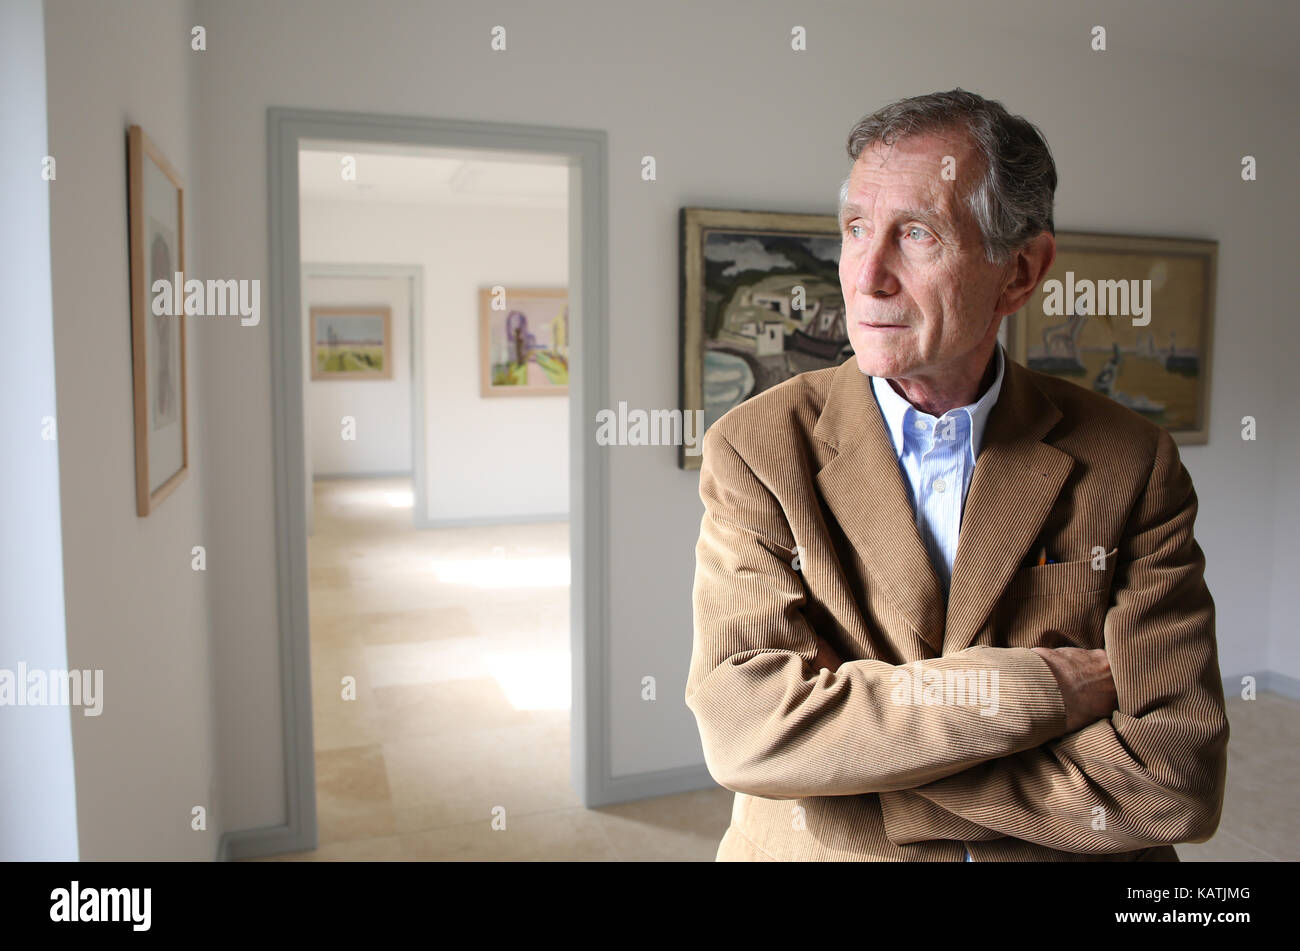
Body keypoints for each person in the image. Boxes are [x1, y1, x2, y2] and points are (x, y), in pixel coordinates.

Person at [685, 89, 1228, 861]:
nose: (866, 277)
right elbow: (746, 733)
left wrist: (856, 761)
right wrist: (1037, 690)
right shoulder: (755, 447)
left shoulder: (1132, 462)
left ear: (1020, 271)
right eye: (855, 230)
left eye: (915, 234)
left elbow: (1175, 776)